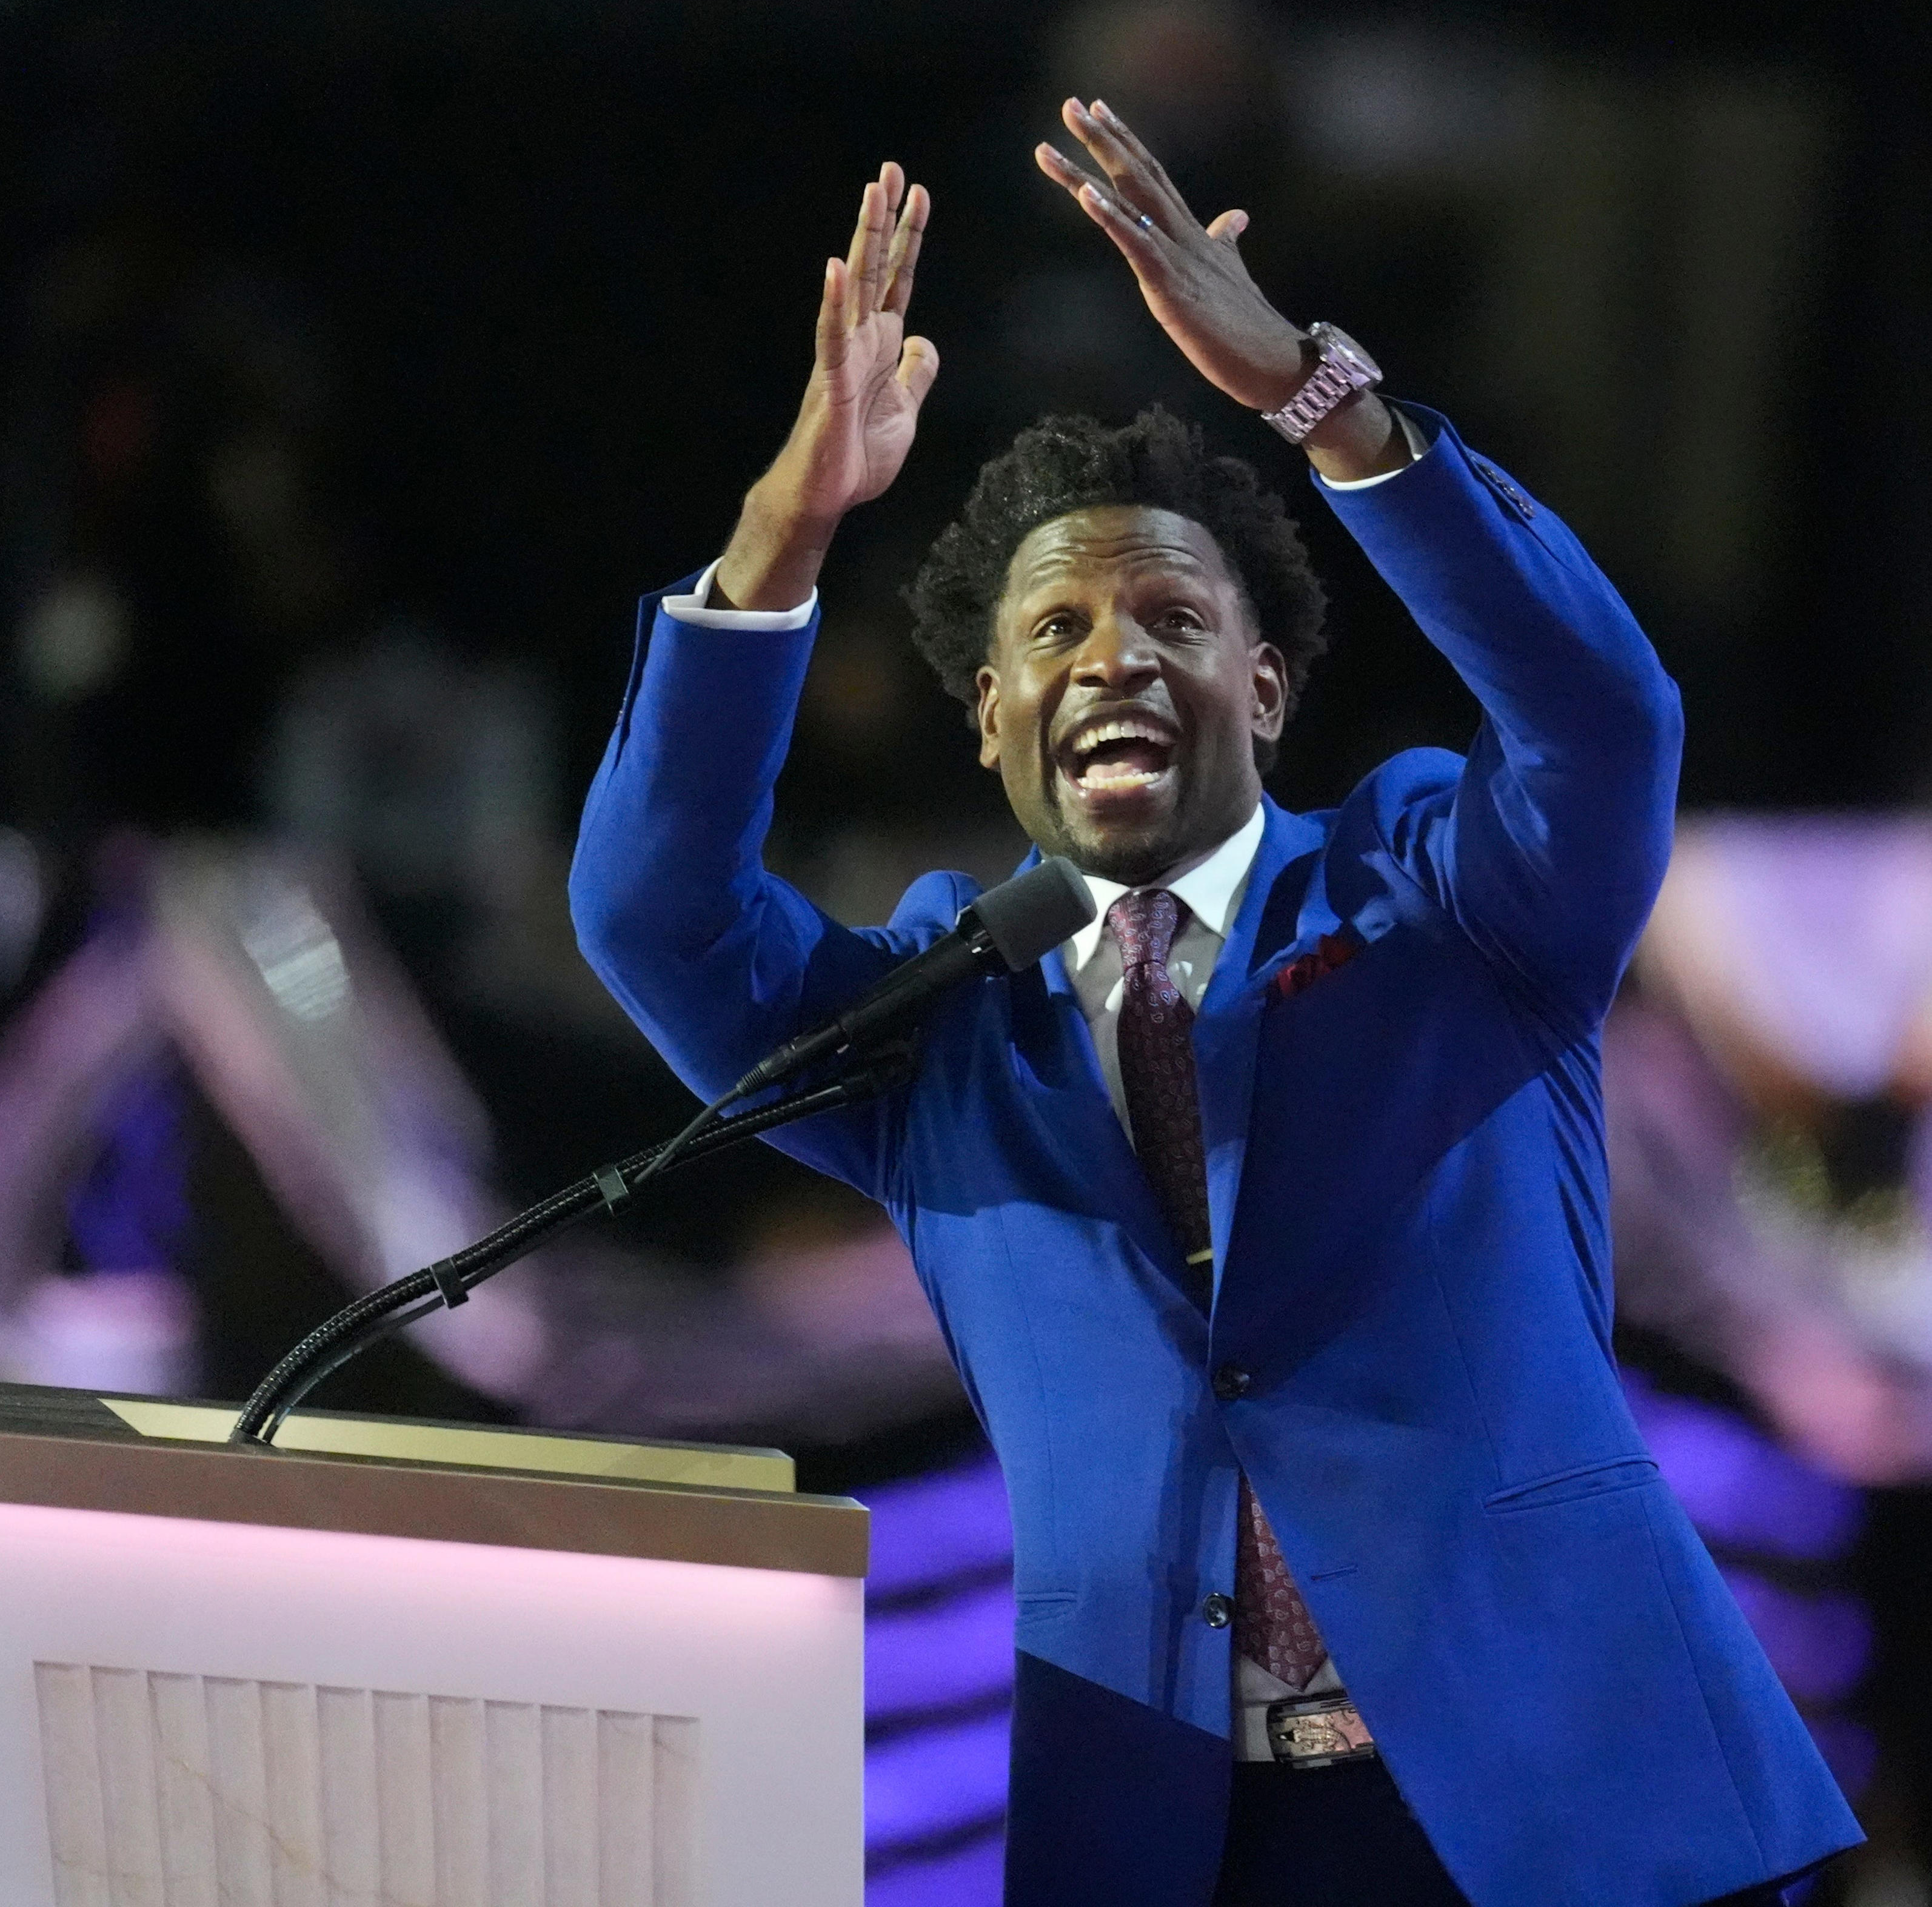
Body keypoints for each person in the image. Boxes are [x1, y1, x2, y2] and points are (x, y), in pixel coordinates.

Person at [567, 99, 1858, 1907]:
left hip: (1561, 1791)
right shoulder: (939, 1028)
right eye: (1053, 637)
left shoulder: (1442, 898)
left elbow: (1600, 720)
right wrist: (784, 533)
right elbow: (653, 914)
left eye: (1169, 617)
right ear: (992, 724)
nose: (1111, 657)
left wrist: (1324, 408)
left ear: (1261, 686)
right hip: (1173, 1827)